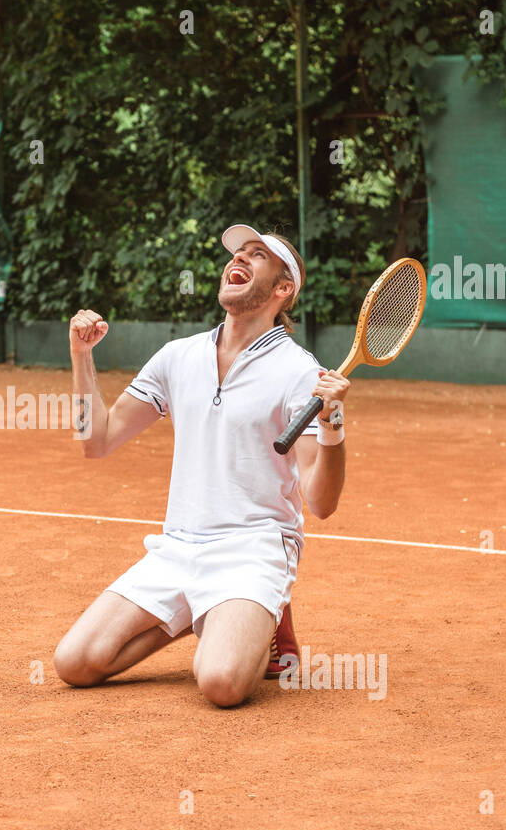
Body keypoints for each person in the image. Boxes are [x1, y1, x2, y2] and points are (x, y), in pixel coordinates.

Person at [53, 224, 349, 708]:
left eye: (258, 256)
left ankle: (261, 612)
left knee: (220, 684)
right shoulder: (178, 356)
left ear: (282, 289)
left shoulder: (299, 373)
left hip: (253, 550)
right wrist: (81, 356)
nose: (240, 259)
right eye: (239, 253)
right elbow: (97, 441)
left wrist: (333, 424)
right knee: (75, 663)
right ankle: (207, 615)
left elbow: (321, 502)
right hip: (178, 548)